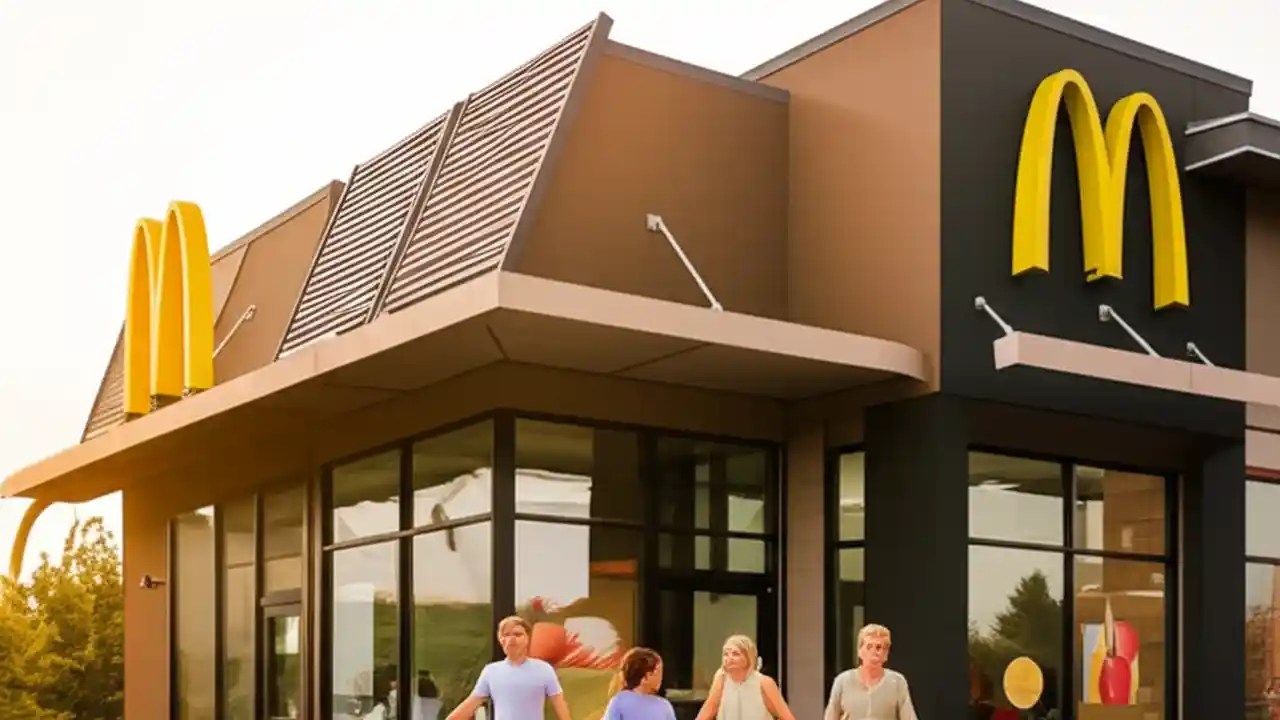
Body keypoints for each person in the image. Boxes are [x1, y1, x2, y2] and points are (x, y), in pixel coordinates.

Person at [446, 616, 572, 720]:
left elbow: (560, 706)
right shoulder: (491, 672)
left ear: (527, 638)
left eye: (517, 634)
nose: (511, 639)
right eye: (506, 635)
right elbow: (470, 705)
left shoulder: (544, 670)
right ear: (500, 640)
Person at [824, 624, 918, 720]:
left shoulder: (897, 682)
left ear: (886, 654)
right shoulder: (843, 681)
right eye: (869, 647)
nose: (874, 652)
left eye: (879, 647)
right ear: (860, 651)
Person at [695, 635, 796, 720]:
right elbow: (708, 710)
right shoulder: (721, 679)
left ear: (748, 657)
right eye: (726, 654)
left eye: (735, 654)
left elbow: (787, 717)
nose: (729, 658)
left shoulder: (764, 683)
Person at [602, 647, 676, 720]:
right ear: (646, 677)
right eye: (658, 673)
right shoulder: (664, 706)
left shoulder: (618, 701)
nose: (661, 679)